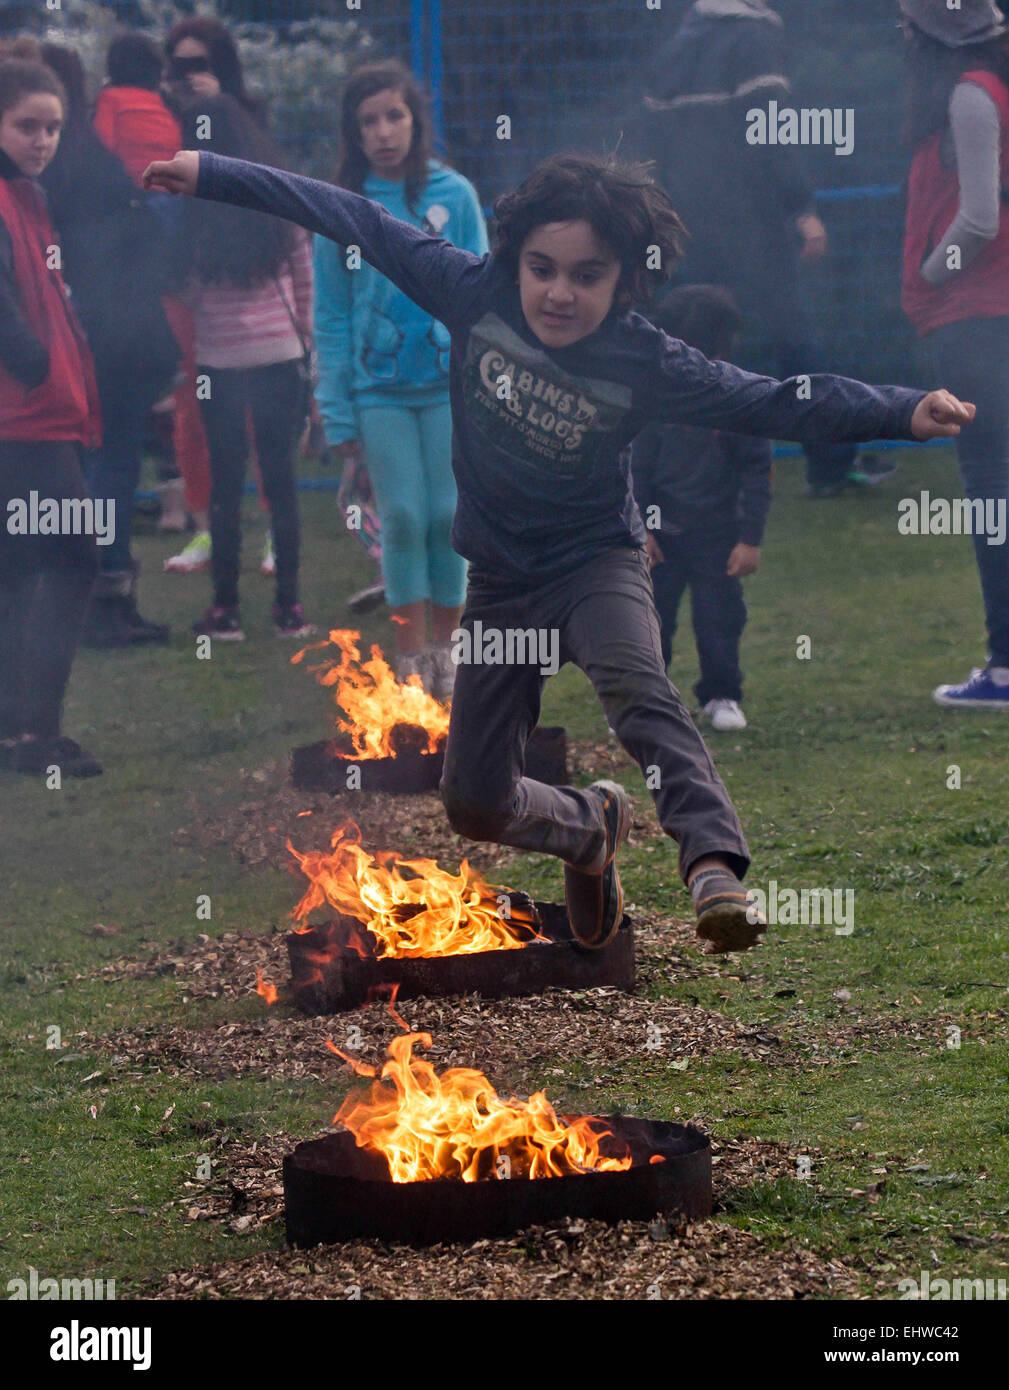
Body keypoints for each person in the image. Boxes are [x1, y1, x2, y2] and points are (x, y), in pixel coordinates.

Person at [142, 145, 973, 958]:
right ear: (516, 260)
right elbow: (351, 215)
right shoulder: (471, 292)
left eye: (586, 276)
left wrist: (901, 409)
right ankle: (590, 826)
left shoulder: (642, 357)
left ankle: (713, 868)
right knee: (473, 802)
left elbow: (770, 400)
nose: (560, 293)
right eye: (543, 268)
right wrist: (214, 174)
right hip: (501, 583)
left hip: (593, 565)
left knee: (638, 687)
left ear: (625, 280)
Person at [638, 0, 895, 499]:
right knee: (795, 343)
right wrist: (801, 207)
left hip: (688, 223)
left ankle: (682, 479)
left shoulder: (675, 45)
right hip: (753, 224)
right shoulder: (753, 37)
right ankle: (830, 464)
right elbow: (772, 129)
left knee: (693, 348)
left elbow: (654, 149)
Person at [314, 60, 488, 697]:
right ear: (353, 134)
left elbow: (480, 298)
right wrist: (335, 410)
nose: (384, 131)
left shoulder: (456, 196)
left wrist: (483, 389)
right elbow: (329, 315)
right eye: (369, 121)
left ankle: (452, 657)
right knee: (405, 516)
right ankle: (410, 666)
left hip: (448, 391)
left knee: (449, 514)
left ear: (416, 121)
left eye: (395, 115)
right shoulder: (343, 208)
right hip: (376, 393)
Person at [40, 42, 179, 648]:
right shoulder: (88, 161)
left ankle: (86, 594)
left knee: (90, 465)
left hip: (77, 334)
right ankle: (102, 594)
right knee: (110, 463)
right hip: (110, 336)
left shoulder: (52, 166)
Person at [901, 0, 1009, 708]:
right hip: (987, 319)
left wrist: (928, 273)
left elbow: (978, 216)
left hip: (976, 321)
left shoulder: (969, 94)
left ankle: (1002, 669)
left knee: (991, 492)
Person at [174, 95, 314, 641]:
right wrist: (304, 340)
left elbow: (185, 289)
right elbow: (304, 275)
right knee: (281, 481)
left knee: (225, 486)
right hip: (281, 354)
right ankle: (289, 609)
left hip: (220, 361)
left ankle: (226, 611)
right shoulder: (274, 198)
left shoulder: (192, 210)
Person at [0, 57, 102, 777]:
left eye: (53, 127)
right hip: (23, 420)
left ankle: (17, 734)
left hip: (40, 416)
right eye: (26, 125)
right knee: (70, 557)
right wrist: (30, 359)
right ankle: (33, 735)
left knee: (18, 572)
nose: (42, 140)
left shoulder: (27, 195)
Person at [632, 286, 771, 734]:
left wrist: (750, 539)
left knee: (719, 620)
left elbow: (756, 471)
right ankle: (648, 704)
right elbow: (637, 468)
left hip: (719, 537)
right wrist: (643, 529)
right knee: (651, 623)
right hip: (661, 540)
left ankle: (722, 694)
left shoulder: (737, 401)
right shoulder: (652, 401)